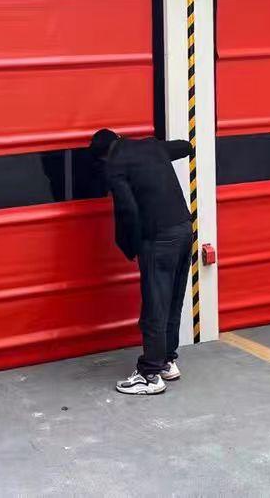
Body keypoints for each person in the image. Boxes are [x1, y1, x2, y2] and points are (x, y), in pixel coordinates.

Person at [90, 129, 194, 396]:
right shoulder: (151, 146)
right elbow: (184, 146)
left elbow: (127, 210)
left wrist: (132, 246)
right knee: (173, 300)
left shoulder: (115, 164)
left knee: (154, 305)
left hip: (159, 238)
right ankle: (167, 361)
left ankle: (149, 374)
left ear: (103, 156)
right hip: (184, 230)